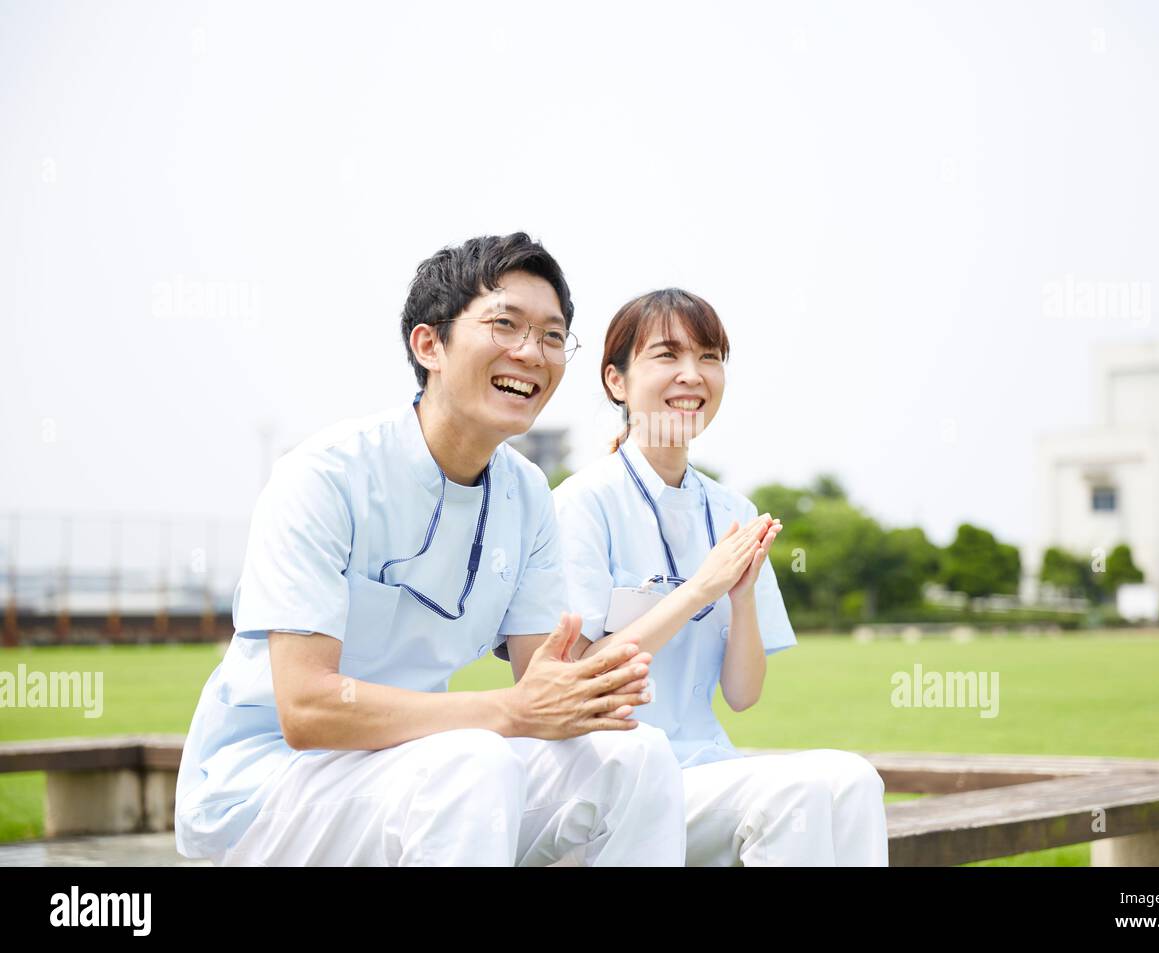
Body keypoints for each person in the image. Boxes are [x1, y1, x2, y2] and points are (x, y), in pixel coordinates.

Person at [174, 235, 751, 866]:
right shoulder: (326, 476)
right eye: (505, 324)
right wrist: (508, 711)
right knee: (473, 759)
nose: (531, 352)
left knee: (636, 754)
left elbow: (545, 682)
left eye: (552, 336)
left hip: (421, 768)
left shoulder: (527, 494)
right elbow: (307, 709)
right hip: (271, 788)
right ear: (430, 345)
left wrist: (590, 684)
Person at [506, 289, 889, 866]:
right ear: (616, 381)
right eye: (668, 355)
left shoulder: (733, 510)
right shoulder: (581, 505)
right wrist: (700, 589)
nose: (693, 374)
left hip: (707, 767)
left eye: (709, 357)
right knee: (798, 795)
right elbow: (576, 679)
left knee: (853, 779)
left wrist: (741, 599)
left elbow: (743, 695)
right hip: (613, 780)